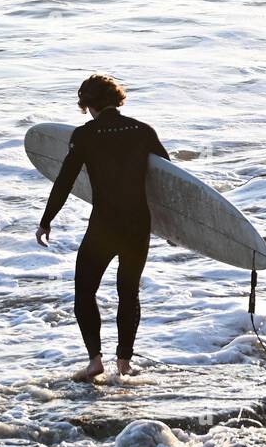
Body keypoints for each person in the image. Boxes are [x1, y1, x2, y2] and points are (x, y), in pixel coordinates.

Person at [36, 74, 170, 382]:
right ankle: (124, 363)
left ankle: (95, 361)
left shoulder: (85, 136)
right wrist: (174, 229)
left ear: (87, 104)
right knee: (128, 292)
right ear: (116, 98)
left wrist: (47, 220)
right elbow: (169, 183)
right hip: (138, 224)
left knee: (85, 290)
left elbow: (65, 181)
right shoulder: (143, 131)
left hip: (104, 226)